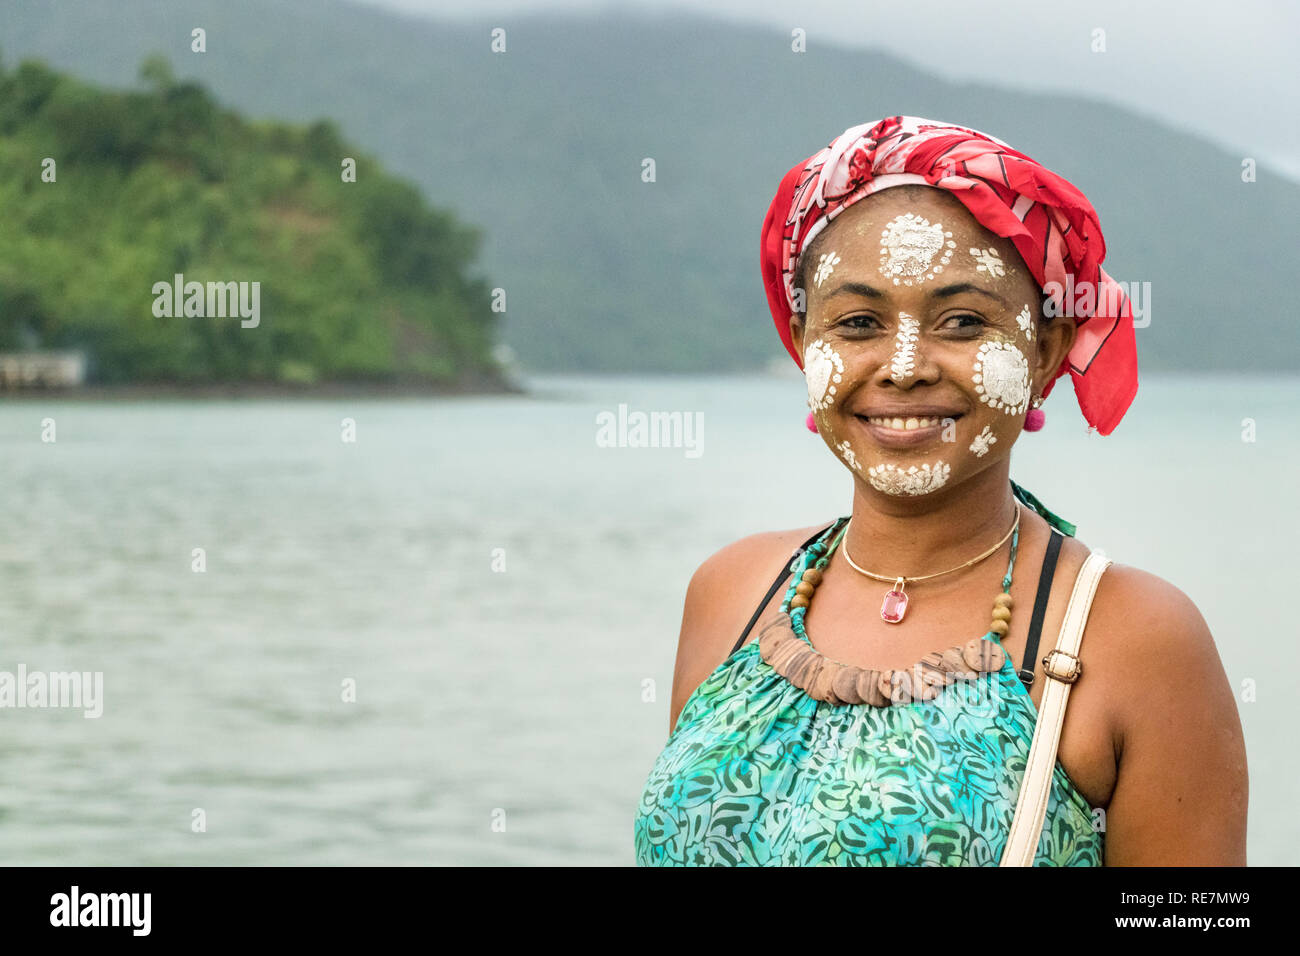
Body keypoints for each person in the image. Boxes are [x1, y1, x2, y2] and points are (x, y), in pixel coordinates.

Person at [633, 116, 1248, 866]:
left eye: (962, 322)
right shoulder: (735, 591)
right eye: (858, 322)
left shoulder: (1135, 640)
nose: (903, 366)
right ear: (802, 342)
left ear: (1047, 349)